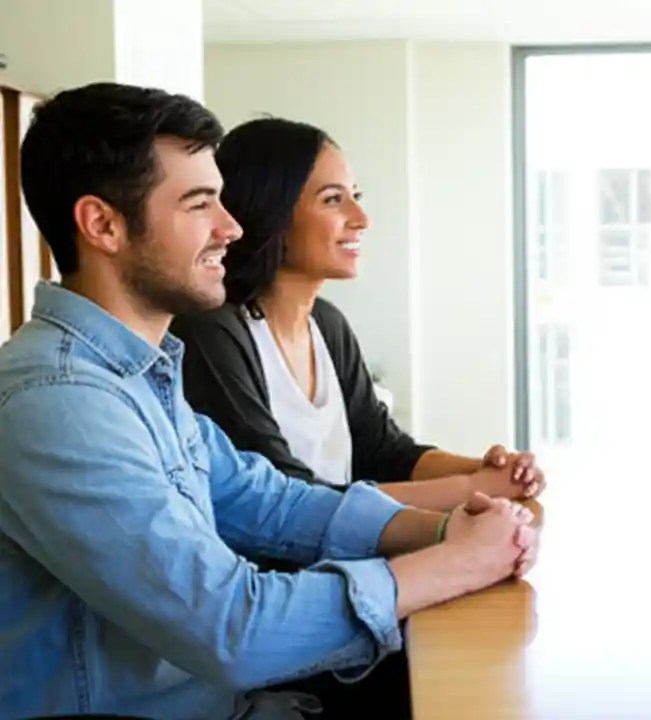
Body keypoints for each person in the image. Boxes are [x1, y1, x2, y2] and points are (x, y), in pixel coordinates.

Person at [0, 82, 538, 719]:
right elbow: (231, 627)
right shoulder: (60, 402)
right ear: (103, 225)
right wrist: (454, 564)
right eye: (200, 204)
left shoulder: (140, 375)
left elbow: (270, 502)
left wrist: (447, 529)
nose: (231, 228)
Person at [169, 117, 544, 512]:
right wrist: (474, 489)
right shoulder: (212, 331)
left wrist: (489, 472)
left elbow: (382, 451)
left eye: (355, 196)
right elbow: (285, 500)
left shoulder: (327, 324)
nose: (361, 219)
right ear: (271, 211)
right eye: (333, 199)